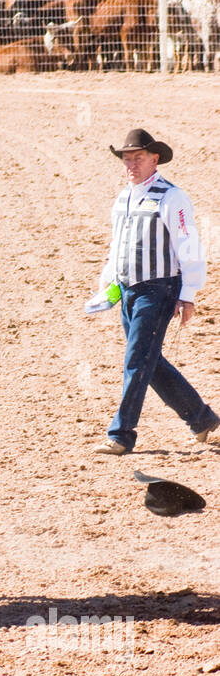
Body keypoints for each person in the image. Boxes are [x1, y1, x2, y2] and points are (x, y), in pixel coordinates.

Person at [94, 128, 218, 455]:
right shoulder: (124, 197)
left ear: (154, 159)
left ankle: (121, 435)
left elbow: (188, 246)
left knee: (137, 360)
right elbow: (117, 243)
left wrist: (189, 292)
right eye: (126, 158)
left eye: (137, 158)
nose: (130, 164)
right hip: (128, 288)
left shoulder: (171, 197)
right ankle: (202, 419)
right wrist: (108, 282)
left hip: (159, 289)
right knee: (149, 361)